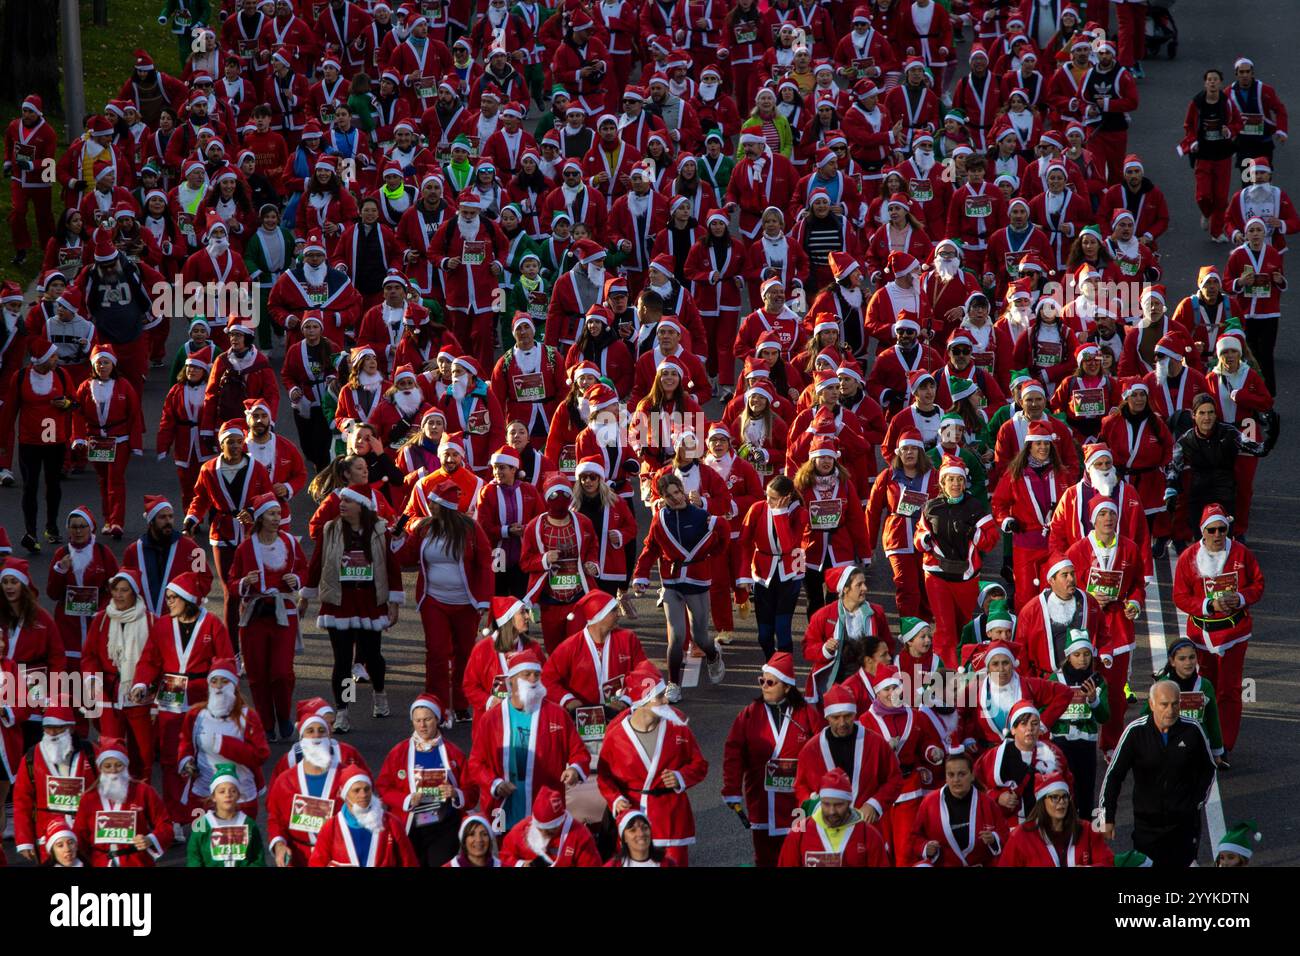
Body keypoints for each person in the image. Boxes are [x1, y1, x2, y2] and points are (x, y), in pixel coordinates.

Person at [301, 486, 404, 731]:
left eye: (348, 500)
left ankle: (379, 694)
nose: (342, 504)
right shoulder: (330, 530)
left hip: (370, 601)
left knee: (372, 655)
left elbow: (391, 567)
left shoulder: (380, 530)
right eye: (341, 500)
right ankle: (344, 710)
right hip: (339, 602)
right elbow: (316, 564)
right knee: (343, 660)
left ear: (362, 505)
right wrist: (305, 595)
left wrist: (394, 602)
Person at [392, 480, 493, 719]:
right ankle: (436, 703)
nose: (429, 507)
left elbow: (485, 564)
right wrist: (395, 538)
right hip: (433, 600)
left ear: (444, 506)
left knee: (464, 653)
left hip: (465, 603)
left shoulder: (470, 528)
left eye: (433, 503)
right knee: (436, 652)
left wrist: (484, 601)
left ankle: (460, 704)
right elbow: (406, 556)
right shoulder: (424, 527)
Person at [1171, 504, 1264, 757]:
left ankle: (1224, 745)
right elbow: (1179, 596)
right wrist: (1207, 605)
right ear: (1203, 532)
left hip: (1235, 634)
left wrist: (1242, 598)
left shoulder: (1241, 553)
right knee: (1204, 689)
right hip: (1201, 637)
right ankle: (1203, 738)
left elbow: (1258, 584)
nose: (1217, 535)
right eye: (1211, 530)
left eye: (1222, 529)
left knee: (1230, 690)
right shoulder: (1188, 557)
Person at [466, 646, 591, 831]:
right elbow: (476, 763)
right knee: (505, 856)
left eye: (536, 675)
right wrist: (494, 783)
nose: (533, 679)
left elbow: (579, 753)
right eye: (527, 674)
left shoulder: (557, 714)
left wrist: (574, 769)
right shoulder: (491, 718)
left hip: (546, 808)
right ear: (512, 680)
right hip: (503, 807)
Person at [598, 661, 710, 866]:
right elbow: (604, 776)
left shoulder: (678, 725)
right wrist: (615, 799)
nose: (666, 700)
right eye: (659, 696)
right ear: (643, 702)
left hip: (672, 821)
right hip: (634, 822)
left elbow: (700, 764)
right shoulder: (616, 734)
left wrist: (680, 777)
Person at [721, 651, 825, 867]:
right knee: (765, 857)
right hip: (761, 797)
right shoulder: (749, 714)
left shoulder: (806, 714)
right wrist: (731, 790)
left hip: (796, 800)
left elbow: (822, 751)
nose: (764, 686)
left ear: (787, 687)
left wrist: (821, 790)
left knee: (798, 854)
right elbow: (733, 753)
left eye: (770, 682)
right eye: (762, 681)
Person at [1100, 680, 1217, 867]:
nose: (1170, 710)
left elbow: (1208, 769)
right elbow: (1114, 776)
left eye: (1175, 704)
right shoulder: (1135, 732)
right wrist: (1107, 818)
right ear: (1152, 704)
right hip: (1147, 825)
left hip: (1184, 824)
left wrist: (1195, 801)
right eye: (1164, 704)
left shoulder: (1192, 729)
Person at [631, 471, 728, 698]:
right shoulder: (660, 518)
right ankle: (673, 683)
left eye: (677, 492)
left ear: (683, 491)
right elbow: (650, 548)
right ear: (662, 498)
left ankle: (713, 655)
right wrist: (641, 575)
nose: (675, 498)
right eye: (669, 495)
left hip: (696, 580)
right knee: (676, 636)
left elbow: (719, 547)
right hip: (672, 582)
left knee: (700, 636)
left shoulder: (702, 516)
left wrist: (719, 530)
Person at [226, 493, 308, 740]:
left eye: (278, 514)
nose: (277, 518)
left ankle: (283, 716)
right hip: (254, 615)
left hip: (284, 612)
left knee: (282, 672)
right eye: (271, 514)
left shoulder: (291, 543)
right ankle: (265, 722)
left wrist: (298, 580)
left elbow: (304, 569)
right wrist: (243, 583)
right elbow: (231, 581)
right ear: (260, 518)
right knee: (257, 673)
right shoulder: (245, 548)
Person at [914, 455, 1000, 667]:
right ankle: (945, 674)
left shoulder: (975, 507)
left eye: (959, 480)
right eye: (950, 479)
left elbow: (990, 541)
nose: (955, 484)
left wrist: (973, 531)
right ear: (942, 483)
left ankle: (964, 667)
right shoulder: (931, 507)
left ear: (965, 482)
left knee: (962, 626)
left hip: (966, 577)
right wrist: (924, 539)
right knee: (945, 628)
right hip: (936, 575)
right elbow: (919, 537)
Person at [376, 693, 475, 868]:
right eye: (417, 720)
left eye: (427, 719)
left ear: (437, 719)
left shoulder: (454, 752)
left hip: (444, 826)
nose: (422, 725)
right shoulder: (399, 752)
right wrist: (406, 799)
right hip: (411, 825)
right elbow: (383, 787)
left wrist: (456, 793)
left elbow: (472, 789)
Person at [80, 569, 154, 778]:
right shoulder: (102, 619)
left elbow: (155, 660)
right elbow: (89, 655)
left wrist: (143, 684)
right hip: (108, 693)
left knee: (142, 753)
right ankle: (112, 799)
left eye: (124, 590)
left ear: (135, 593)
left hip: (138, 693)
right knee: (111, 750)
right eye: (115, 590)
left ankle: (142, 800)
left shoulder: (150, 621)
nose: (119, 595)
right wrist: (93, 679)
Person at [1164, 392, 1266, 544]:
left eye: (1211, 412)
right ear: (1194, 415)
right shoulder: (1186, 439)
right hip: (1199, 496)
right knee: (1202, 546)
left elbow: (1258, 449)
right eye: (1202, 413)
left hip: (1225, 495)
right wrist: (1170, 489)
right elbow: (1174, 466)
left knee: (1223, 544)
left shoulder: (1230, 432)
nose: (1207, 417)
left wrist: (1270, 441)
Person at [177, 659, 271, 820]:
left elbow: (260, 755)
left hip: (240, 795)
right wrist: (186, 761)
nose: (218, 686)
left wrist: (222, 744)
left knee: (240, 843)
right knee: (199, 839)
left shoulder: (248, 716)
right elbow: (185, 743)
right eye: (214, 681)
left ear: (234, 686)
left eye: (224, 681)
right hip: (204, 794)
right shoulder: (196, 714)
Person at [70, 737, 173, 867]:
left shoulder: (143, 791)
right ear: (100, 768)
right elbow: (79, 834)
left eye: (119, 765)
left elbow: (165, 825)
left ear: (126, 766)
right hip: (100, 861)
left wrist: (150, 839)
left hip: (136, 861)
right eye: (107, 766)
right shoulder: (89, 798)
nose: (113, 771)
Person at [11, 706, 96, 862]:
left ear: (71, 728)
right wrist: (24, 840)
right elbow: (22, 800)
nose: (52, 733)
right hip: (48, 835)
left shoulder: (90, 753)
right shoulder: (32, 757)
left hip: (84, 833)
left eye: (58, 728)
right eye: (48, 728)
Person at [737, 475, 808, 660]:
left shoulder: (800, 513)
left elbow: (787, 546)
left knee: (783, 631)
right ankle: (772, 664)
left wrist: (779, 513)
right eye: (767, 496)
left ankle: (784, 674)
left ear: (787, 497)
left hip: (790, 574)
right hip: (763, 573)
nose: (768, 501)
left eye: (774, 498)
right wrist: (744, 576)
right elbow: (744, 543)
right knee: (764, 635)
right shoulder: (757, 508)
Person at [974, 700, 1073, 826]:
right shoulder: (995, 756)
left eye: (1034, 724)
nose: (1030, 729)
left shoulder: (1053, 754)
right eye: (1023, 724)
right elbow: (976, 786)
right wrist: (997, 797)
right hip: (1011, 827)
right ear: (1013, 729)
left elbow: (1068, 786)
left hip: (1046, 825)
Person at [309, 765, 420, 867]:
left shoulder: (391, 823)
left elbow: (409, 861)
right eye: (356, 791)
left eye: (367, 789)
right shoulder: (331, 827)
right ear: (344, 794)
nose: (363, 795)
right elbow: (316, 863)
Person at [910, 751, 1008, 867]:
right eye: (951, 775)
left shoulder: (987, 803)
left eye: (962, 774)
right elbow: (914, 837)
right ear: (945, 777)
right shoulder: (929, 802)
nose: (956, 780)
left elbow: (1005, 834)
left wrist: (994, 839)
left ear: (972, 775)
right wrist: (925, 847)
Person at [999, 771, 1114, 867]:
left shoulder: (1086, 829)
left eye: (1065, 797)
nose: (1062, 802)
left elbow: (1108, 862)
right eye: (1055, 797)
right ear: (1042, 802)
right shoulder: (1021, 836)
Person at [498, 784, 602, 867]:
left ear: (561, 822)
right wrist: (521, 864)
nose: (545, 833)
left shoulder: (580, 836)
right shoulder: (521, 830)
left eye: (551, 830)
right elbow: (503, 857)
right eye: (541, 829)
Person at [187, 762, 268, 867]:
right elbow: (194, 858)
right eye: (222, 791)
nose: (228, 795)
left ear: (238, 796)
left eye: (233, 791)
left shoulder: (248, 824)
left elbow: (258, 858)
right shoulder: (201, 825)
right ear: (213, 797)